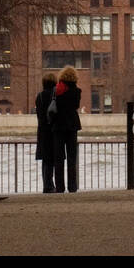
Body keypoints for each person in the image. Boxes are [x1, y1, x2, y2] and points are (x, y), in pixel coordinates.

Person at [49, 64, 82, 193]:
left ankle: (60, 187)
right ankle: (72, 186)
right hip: (72, 125)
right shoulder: (77, 91)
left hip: (58, 125)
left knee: (59, 157)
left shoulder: (56, 89)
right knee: (72, 157)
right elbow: (76, 106)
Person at [35, 73, 57, 192]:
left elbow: (39, 114)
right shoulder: (55, 96)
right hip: (53, 130)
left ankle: (46, 184)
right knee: (53, 159)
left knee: (45, 159)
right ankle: (51, 185)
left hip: (42, 130)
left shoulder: (40, 96)